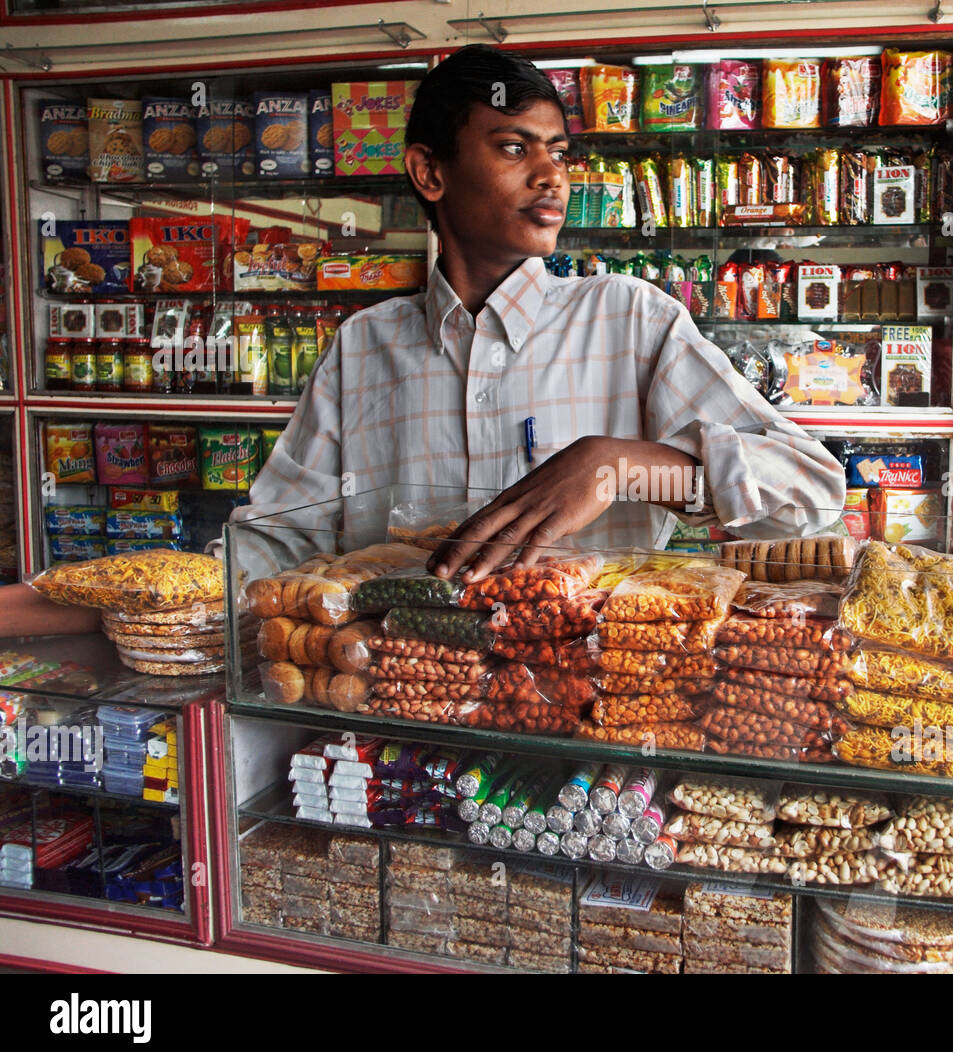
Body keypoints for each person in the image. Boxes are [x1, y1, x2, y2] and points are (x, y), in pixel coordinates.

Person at [1, 44, 844, 632]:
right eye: (514, 148)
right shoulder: (367, 347)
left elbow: (812, 490)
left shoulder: (630, 320)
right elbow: (275, 544)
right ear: (430, 173)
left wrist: (618, 465)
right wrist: (56, 604)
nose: (550, 174)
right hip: (392, 723)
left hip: (589, 735)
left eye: (557, 151)